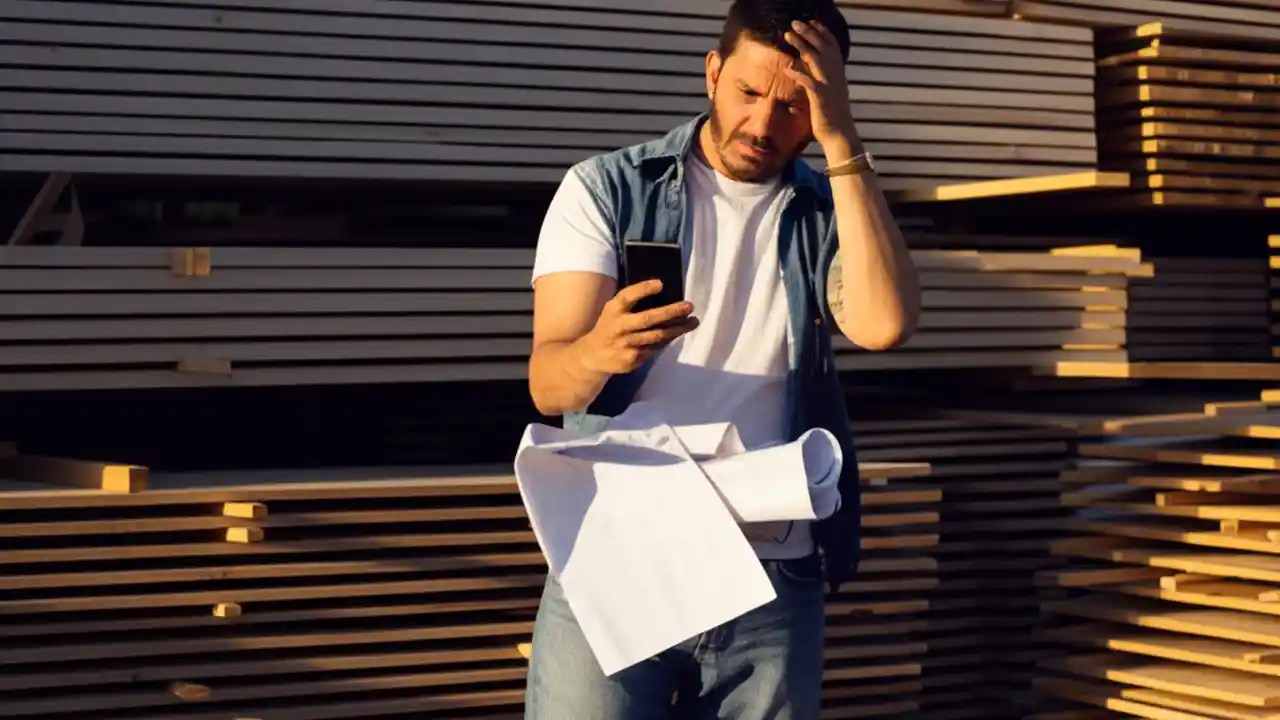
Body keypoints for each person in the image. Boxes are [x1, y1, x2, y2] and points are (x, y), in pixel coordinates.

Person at [523, 0, 921, 716]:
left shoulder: (830, 210)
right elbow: (550, 383)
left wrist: (842, 139)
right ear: (711, 72)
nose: (765, 124)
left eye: (796, 105)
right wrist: (599, 349)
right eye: (749, 92)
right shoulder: (607, 189)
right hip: (620, 554)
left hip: (772, 567)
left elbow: (885, 324)